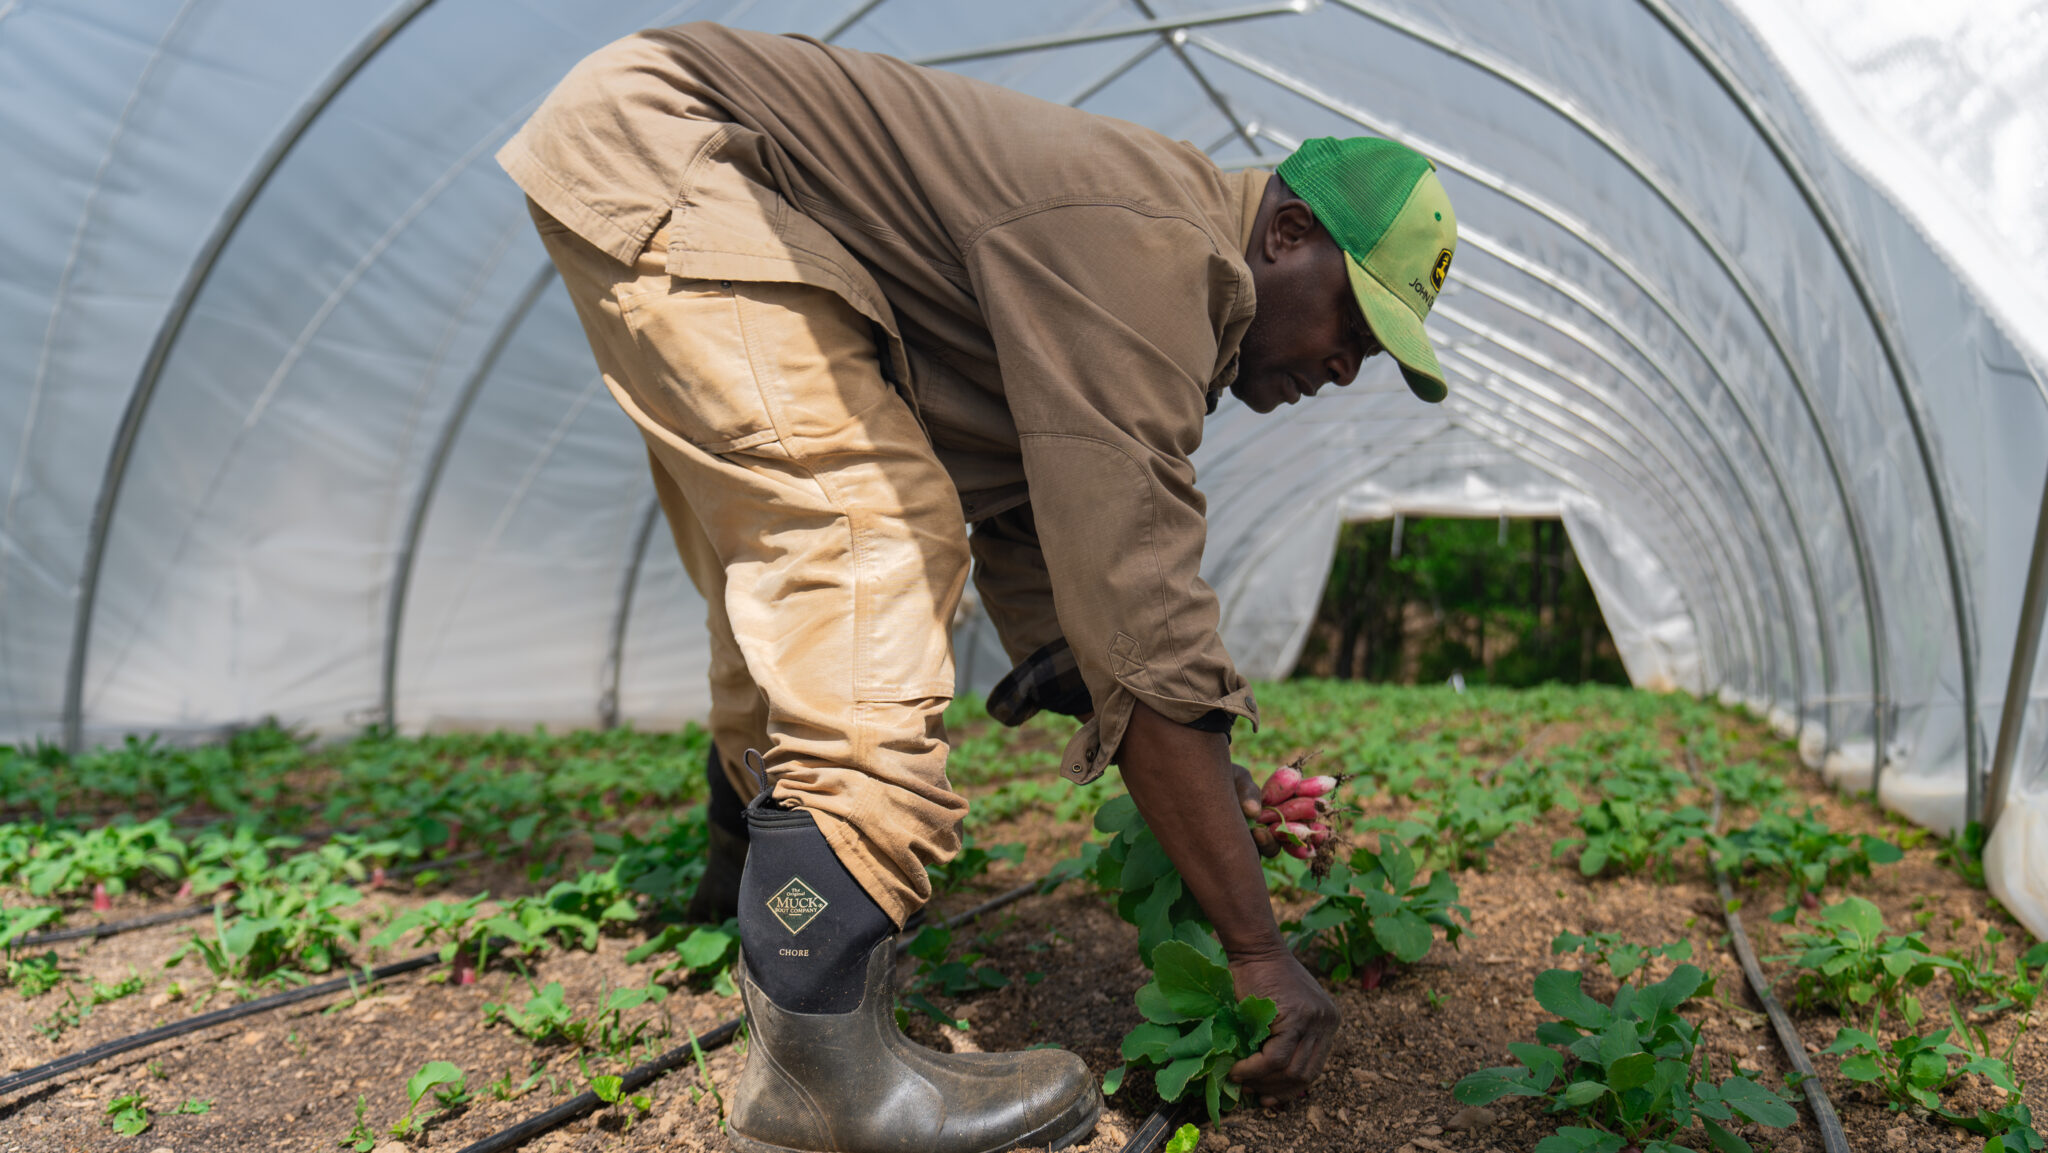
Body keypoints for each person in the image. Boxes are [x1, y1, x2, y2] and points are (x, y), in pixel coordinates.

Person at [501, 22, 1458, 1153]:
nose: (1344, 367)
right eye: (1352, 322)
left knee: (795, 551)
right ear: (1286, 232)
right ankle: (818, 1071)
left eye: (1372, 355)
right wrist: (1253, 947)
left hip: (654, 140)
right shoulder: (1160, 261)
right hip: (683, 149)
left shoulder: (1147, 265)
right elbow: (1139, 614)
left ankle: (741, 870)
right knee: (870, 537)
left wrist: (1216, 786)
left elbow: (1041, 545)